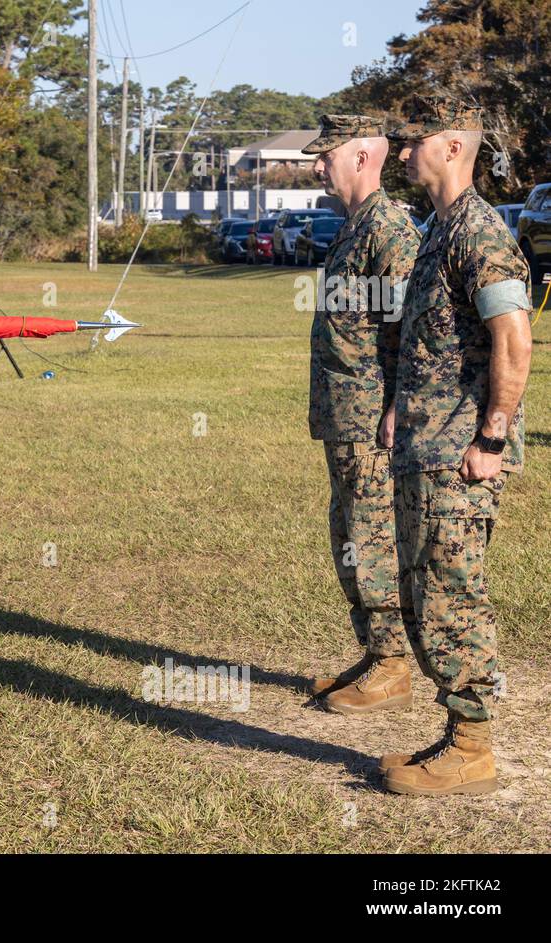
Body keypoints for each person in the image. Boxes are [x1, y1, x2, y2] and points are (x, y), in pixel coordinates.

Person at [380, 98, 533, 796]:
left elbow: (514, 341)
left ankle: (473, 748)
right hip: (424, 446)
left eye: (411, 142)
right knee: (425, 591)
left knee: (452, 595)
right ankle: (455, 733)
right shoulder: (438, 232)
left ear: (449, 146)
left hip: (460, 454)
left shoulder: (481, 234)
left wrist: (492, 436)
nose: (402, 153)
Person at [302, 115, 421, 714]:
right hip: (345, 417)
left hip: (375, 420)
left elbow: (417, 328)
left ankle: (395, 665)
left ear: (361, 158)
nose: (317, 165)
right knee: (350, 533)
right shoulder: (352, 229)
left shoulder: (389, 229)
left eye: (326, 155)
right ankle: (376, 652)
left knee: (374, 536)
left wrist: (401, 407)